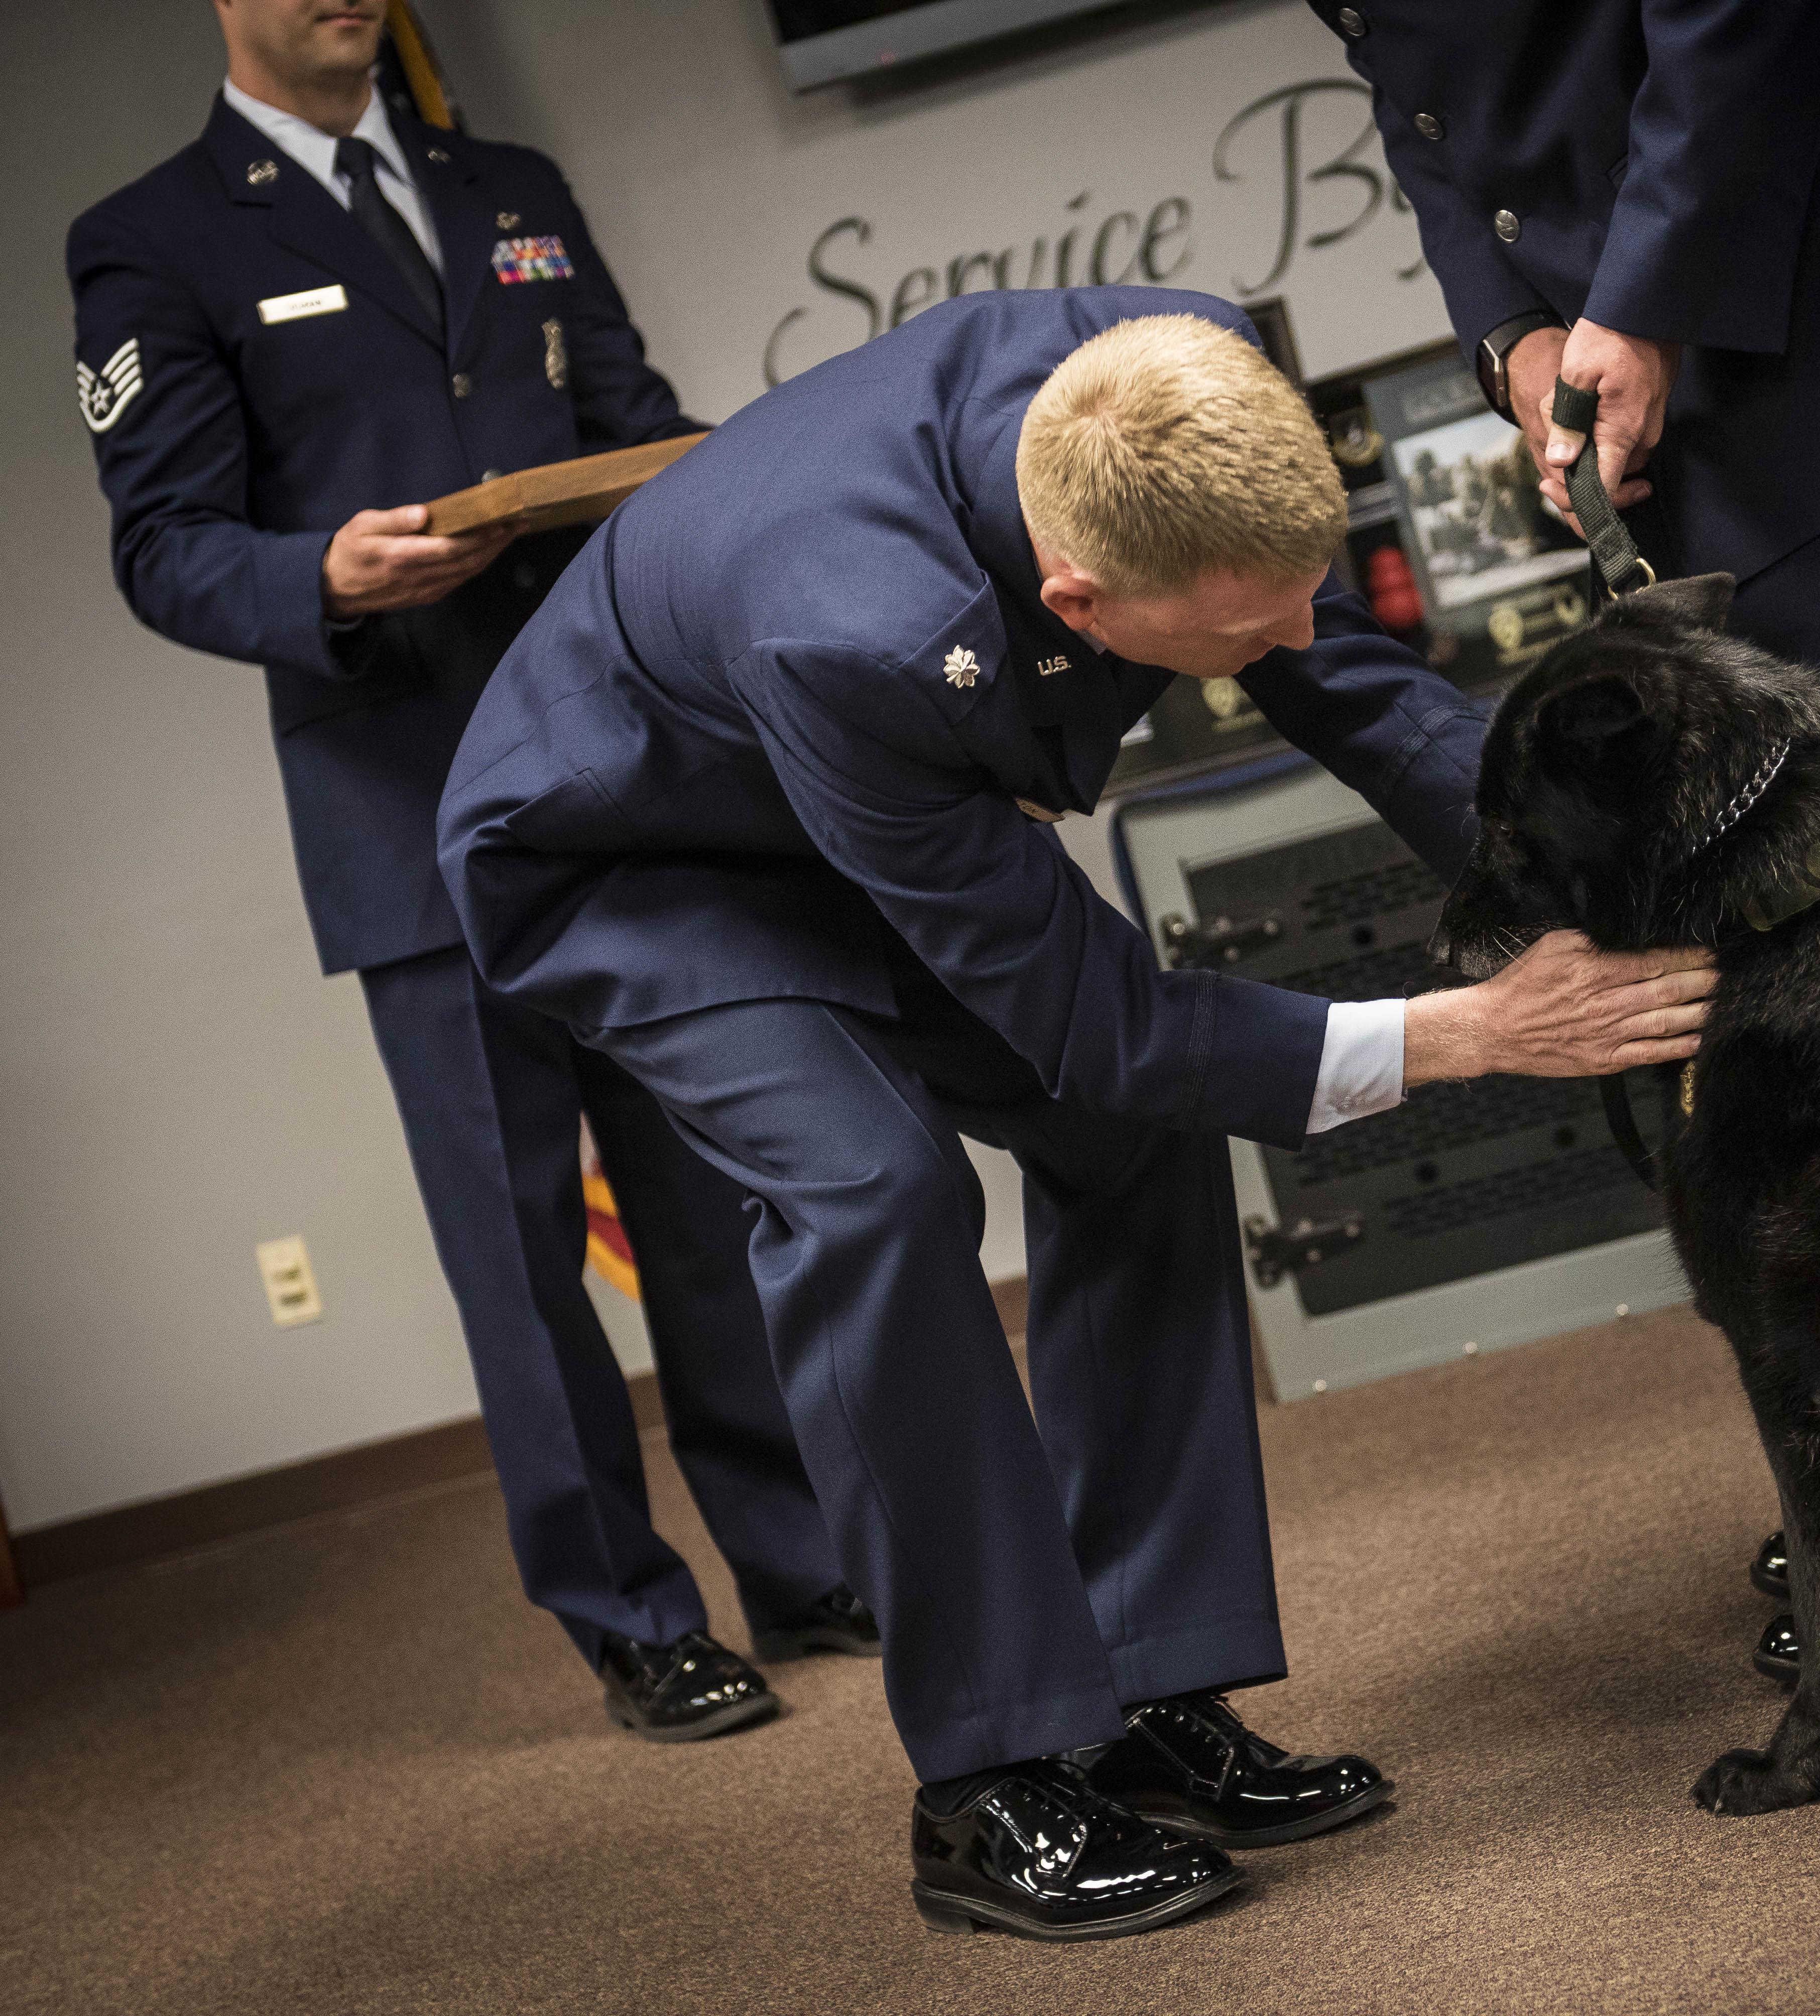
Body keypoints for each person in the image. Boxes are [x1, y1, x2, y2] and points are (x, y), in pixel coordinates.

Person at [436, 294, 1712, 1940]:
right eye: (1244, 638)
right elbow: (1101, 1023)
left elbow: (1340, 675)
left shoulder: (1160, 383)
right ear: (1078, 600)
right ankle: (987, 1782)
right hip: (637, 855)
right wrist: (1469, 1033)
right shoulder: (862, 633)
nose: (1292, 644)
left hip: (857, 797)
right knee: (873, 1188)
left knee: (1130, 1137)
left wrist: (1600, 874)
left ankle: (1138, 1684)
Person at [67, 0, 871, 1740]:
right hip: (405, 802)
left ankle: (801, 1564)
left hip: (619, 770)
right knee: (518, 1248)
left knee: (709, 1198)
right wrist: (325, 580)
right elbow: (167, 548)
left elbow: (639, 421)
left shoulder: (509, 182)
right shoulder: (152, 238)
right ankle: (628, 1617)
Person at [1307, 0, 1820, 1689]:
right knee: (1813, 990)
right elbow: (1416, 79)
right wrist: (1510, 331)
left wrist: (1646, 295)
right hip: (1643, 345)